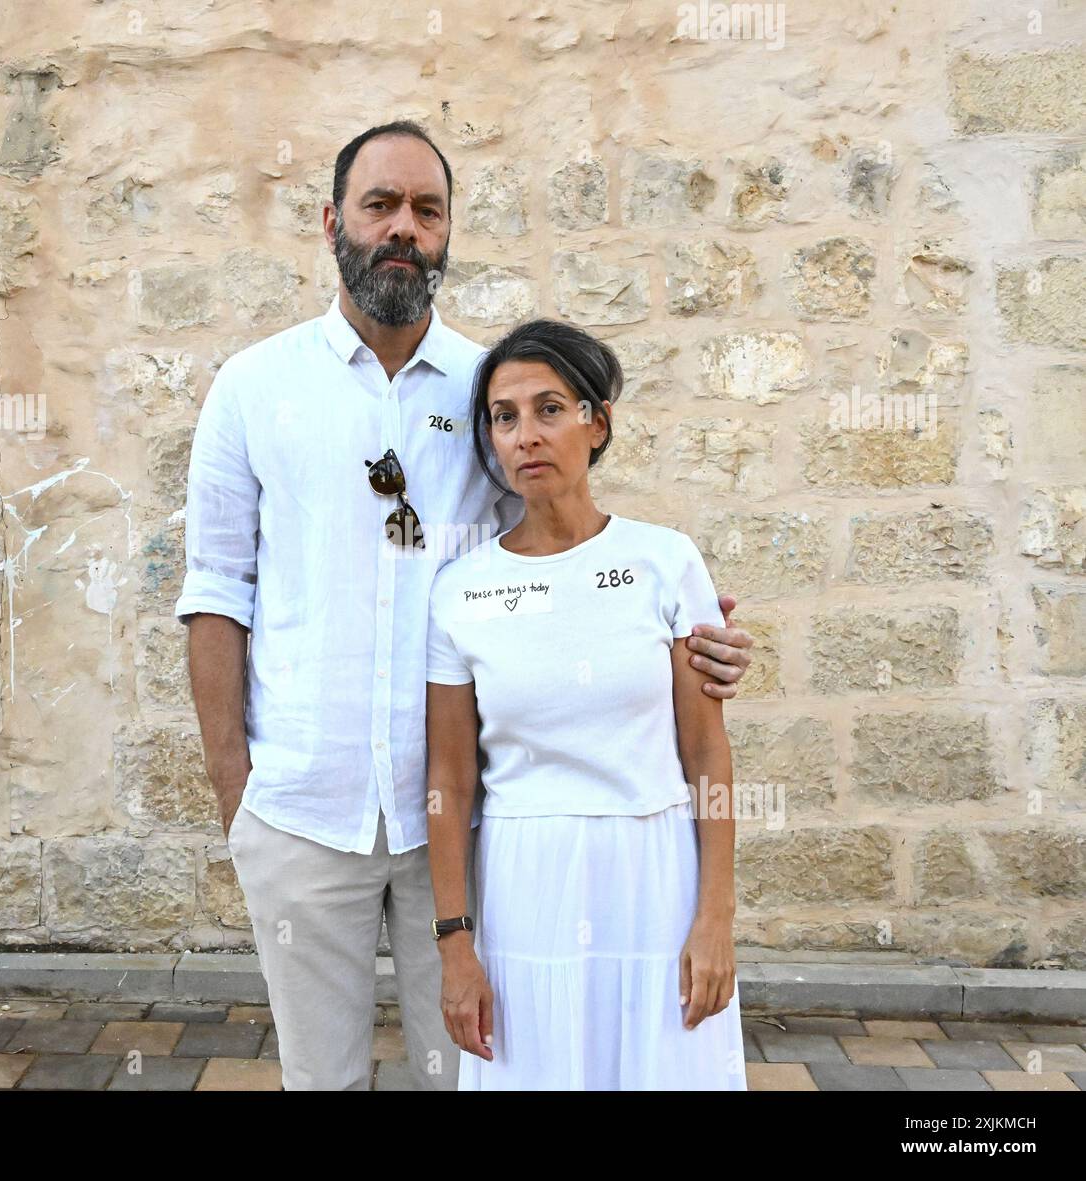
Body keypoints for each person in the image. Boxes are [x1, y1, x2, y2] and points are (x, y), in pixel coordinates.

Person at [175, 119, 755, 1091]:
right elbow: (215, 594)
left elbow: (558, 556)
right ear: (332, 222)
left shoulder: (493, 397)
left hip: (471, 823)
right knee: (322, 1081)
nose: (403, 227)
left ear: (446, 234)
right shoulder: (252, 388)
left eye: (426, 210)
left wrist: (682, 635)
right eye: (380, 205)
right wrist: (240, 798)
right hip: (301, 811)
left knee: (477, 1077)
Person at [425, 318, 748, 1090]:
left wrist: (716, 916)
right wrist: (455, 945)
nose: (525, 434)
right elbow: (449, 778)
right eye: (505, 416)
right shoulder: (460, 591)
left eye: (549, 408)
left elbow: (706, 752)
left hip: (655, 875)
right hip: (525, 883)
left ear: (595, 421)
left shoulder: (663, 561)